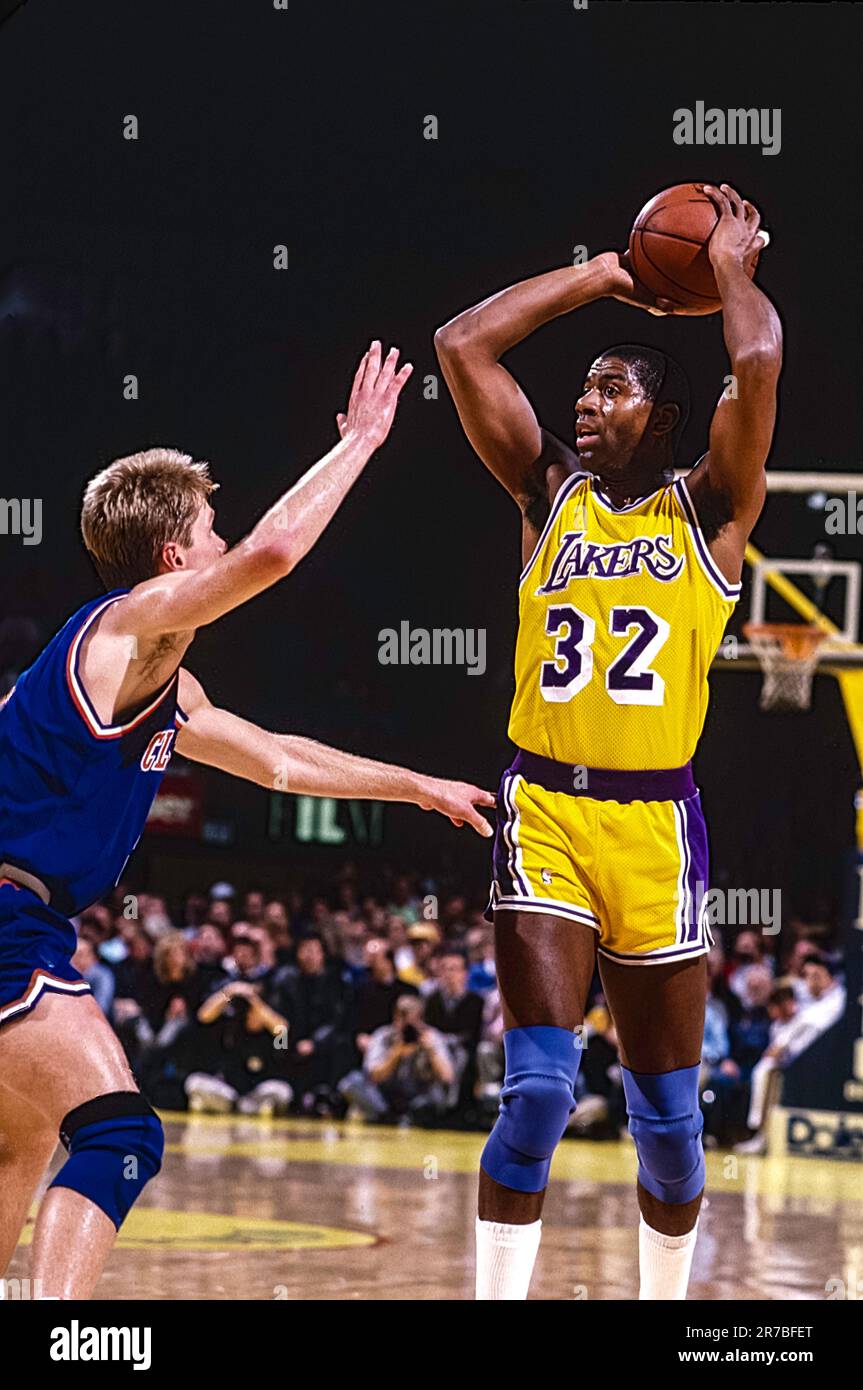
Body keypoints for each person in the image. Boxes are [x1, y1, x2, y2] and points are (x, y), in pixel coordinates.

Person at [0, 341, 494, 1298]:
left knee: (18, 1147)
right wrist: (358, 442)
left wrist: (416, 786)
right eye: (211, 529)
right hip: (5, 920)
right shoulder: (122, 626)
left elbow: (272, 757)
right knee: (119, 1134)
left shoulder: (164, 684)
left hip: (32, 922)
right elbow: (273, 551)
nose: (226, 543)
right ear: (175, 554)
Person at [436, 183, 781, 1299]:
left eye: (614, 385)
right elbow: (461, 343)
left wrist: (725, 269)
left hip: (655, 828)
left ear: (666, 418)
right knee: (536, 1093)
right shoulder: (549, 497)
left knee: (669, 1126)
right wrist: (600, 275)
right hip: (543, 809)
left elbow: (759, 364)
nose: (585, 400)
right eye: (584, 384)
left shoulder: (713, 510)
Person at [339, 995, 455, 1125]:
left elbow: (447, 1077)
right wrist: (396, 1053)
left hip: (418, 1094)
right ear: (396, 1018)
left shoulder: (431, 1037)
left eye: (414, 1020)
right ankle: (386, 1115)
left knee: (435, 1095)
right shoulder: (383, 1036)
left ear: (421, 1019)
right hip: (386, 1093)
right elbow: (374, 1076)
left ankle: (408, 1118)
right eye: (403, 1019)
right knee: (351, 1082)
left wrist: (432, 1052)